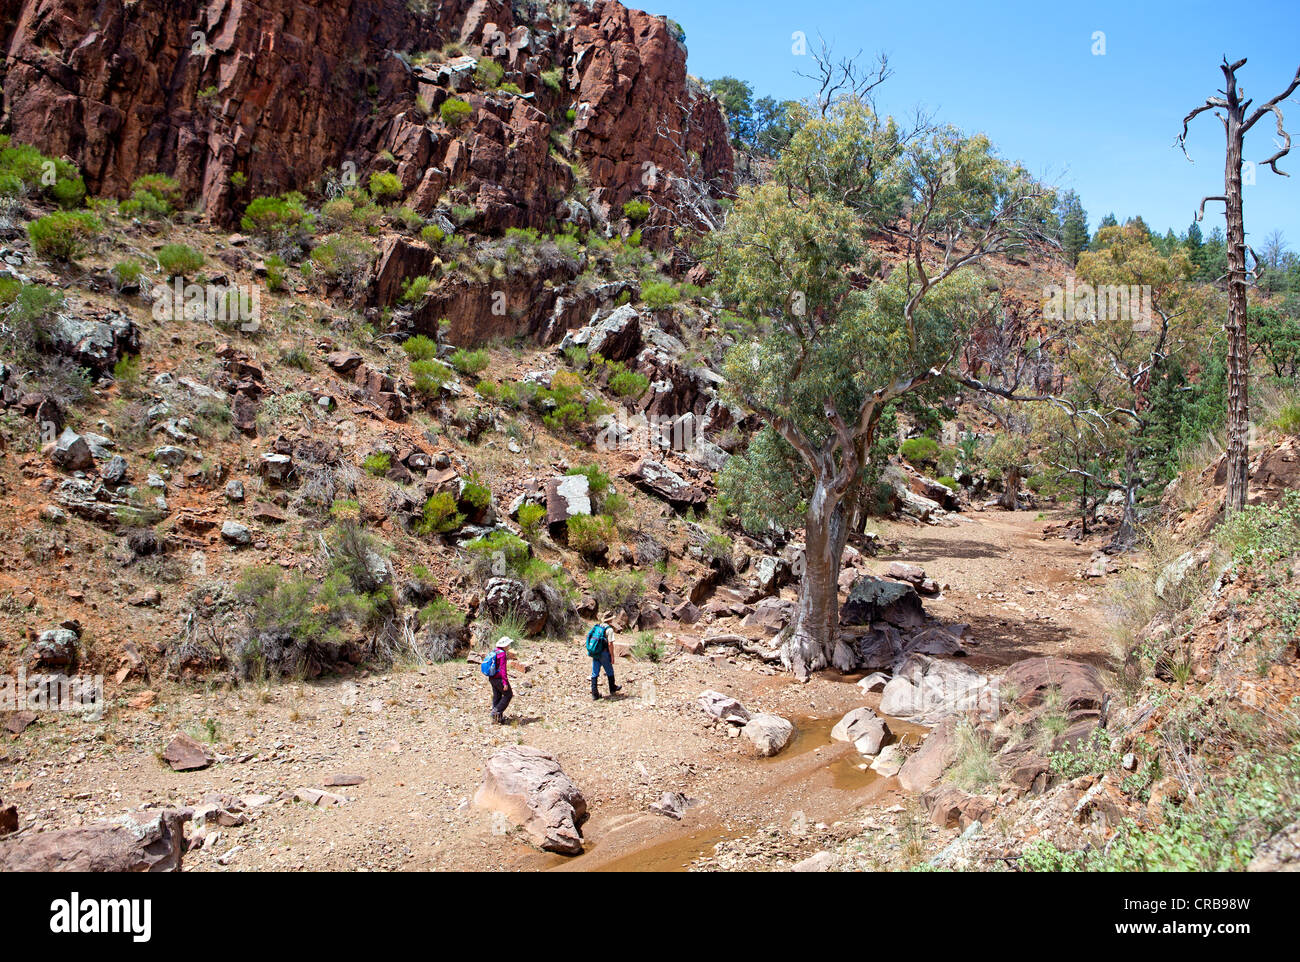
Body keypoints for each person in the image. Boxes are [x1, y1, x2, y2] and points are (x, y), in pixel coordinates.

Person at [586, 622, 621, 700]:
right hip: (604, 653)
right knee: (609, 671)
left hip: (595, 652)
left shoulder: (598, 626)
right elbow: (610, 644)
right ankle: (612, 689)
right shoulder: (609, 630)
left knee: (595, 672)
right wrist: (612, 655)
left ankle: (594, 694)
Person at [485, 636, 514, 724]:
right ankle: (495, 712)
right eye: (508, 644)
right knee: (508, 694)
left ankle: (497, 719)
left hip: (492, 678)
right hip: (499, 678)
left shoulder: (495, 651)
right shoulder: (502, 654)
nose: (509, 646)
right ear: (505, 645)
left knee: (497, 696)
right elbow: (503, 669)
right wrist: (505, 682)